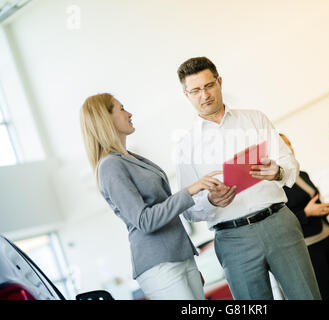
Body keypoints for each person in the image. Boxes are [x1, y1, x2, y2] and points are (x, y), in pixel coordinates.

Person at [174, 56, 321, 300]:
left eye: (209, 86)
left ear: (220, 82)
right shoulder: (185, 146)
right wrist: (211, 201)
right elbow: (189, 210)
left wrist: (278, 172)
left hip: (278, 223)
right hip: (232, 240)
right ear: (186, 95)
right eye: (196, 90)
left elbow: (289, 164)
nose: (205, 95)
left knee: (307, 297)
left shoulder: (255, 119)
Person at [79, 93, 224, 300]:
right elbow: (144, 220)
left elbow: (164, 205)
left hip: (180, 256)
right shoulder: (110, 166)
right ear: (106, 118)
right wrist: (190, 191)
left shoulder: (133, 158)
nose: (129, 113)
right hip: (159, 265)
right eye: (122, 109)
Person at [279, 133, 329, 300]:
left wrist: (324, 208)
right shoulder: (274, 187)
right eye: (283, 146)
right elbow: (281, 223)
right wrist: (306, 213)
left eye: (290, 143)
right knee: (325, 294)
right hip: (309, 247)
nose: (289, 148)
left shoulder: (302, 174)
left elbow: (313, 200)